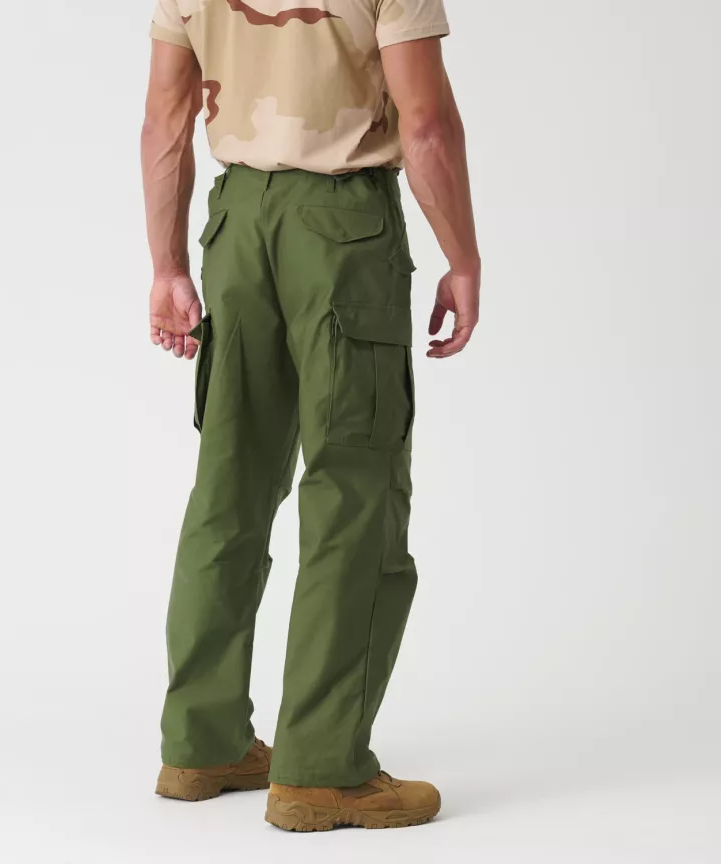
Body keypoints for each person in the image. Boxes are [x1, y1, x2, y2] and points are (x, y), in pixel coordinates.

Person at [142, 0, 480, 832]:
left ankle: (202, 743)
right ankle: (322, 770)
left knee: (229, 483)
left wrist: (167, 266)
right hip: (342, 231)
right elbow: (426, 123)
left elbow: (164, 122)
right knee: (354, 490)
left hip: (235, 227)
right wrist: (463, 257)